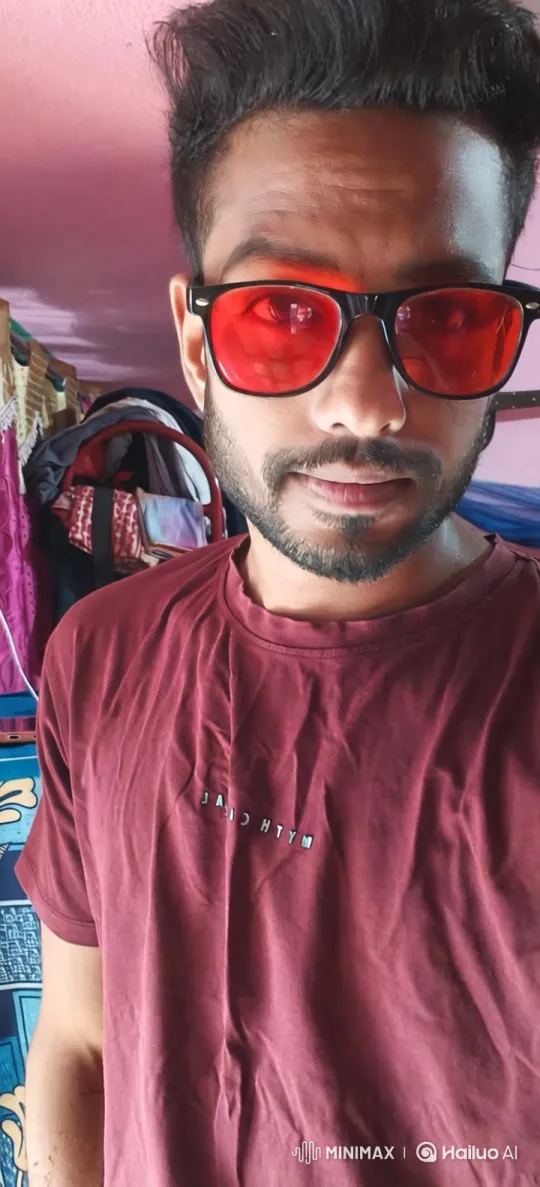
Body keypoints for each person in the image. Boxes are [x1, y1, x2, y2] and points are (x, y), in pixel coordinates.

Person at [17, 0, 540, 1183]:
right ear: (194, 343)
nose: (367, 403)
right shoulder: (97, 656)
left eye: (448, 317)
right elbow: (82, 1044)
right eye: (283, 313)